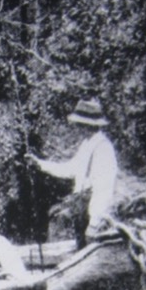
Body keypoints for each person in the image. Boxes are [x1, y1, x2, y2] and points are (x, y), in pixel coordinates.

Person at [31, 98, 118, 248]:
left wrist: (95, 221)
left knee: (89, 253)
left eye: (79, 124)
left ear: (87, 125)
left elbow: (103, 188)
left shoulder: (103, 148)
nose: (76, 128)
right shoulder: (87, 144)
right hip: (82, 208)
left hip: (92, 212)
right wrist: (39, 164)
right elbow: (70, 169)